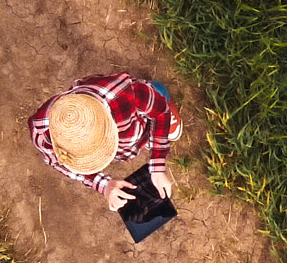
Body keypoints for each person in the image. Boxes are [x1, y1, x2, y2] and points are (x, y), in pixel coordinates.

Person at [28, 72, 180, 212]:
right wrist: (104, 185)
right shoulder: (42, 131)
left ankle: (158, 100)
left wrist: (158, 165)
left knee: (158, 92)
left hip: (142, 106)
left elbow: (160, 113)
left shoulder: (125, 94)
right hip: (130, 137)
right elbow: (58, 162)